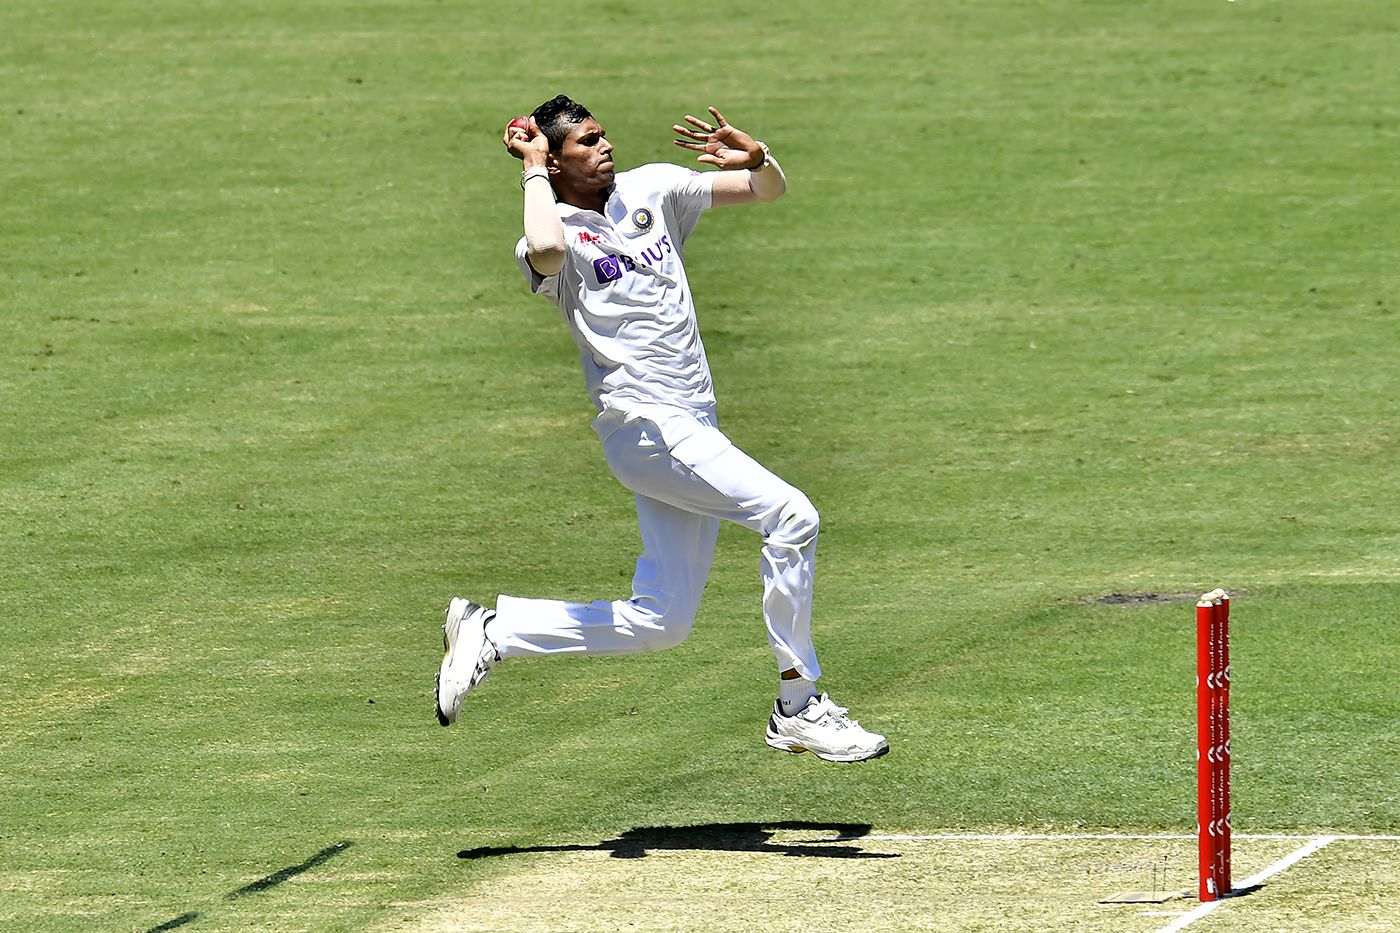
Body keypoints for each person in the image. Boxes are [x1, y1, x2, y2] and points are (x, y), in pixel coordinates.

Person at [434, 95, 887, 763]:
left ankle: (498, 631)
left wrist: (759, 158)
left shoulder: (653, 188)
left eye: (603, 135)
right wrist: (530, 168)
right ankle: (798, 703)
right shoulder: (548, 227)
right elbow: (549, 250)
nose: (605, 147)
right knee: (792, 516)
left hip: (692, 423)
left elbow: (765, 190)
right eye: (586, 143)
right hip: (645, 425)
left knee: (662, 621)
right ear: (554, 162)